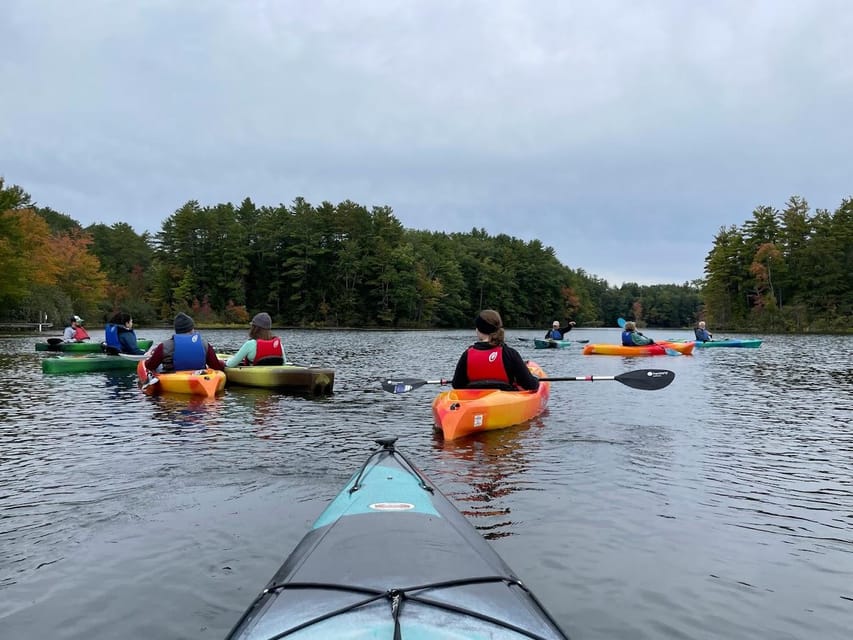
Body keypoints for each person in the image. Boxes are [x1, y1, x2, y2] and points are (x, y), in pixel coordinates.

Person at [452, 309, 539, 391]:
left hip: (476, 401)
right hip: (504, 402)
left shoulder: (467, 354)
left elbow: (457, 384)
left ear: (478, 330)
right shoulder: (509, 353)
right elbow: (530, 385)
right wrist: (536, 380)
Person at [143, 312, 225, 374]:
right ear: (191, 329)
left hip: (173, 379)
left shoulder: (164, 346)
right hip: (199, 378)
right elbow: (216, 366)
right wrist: (223, 363)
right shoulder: (205, 344)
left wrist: (146, 359)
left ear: (176, 330)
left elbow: (150, 366)